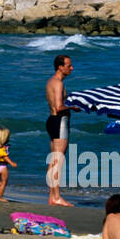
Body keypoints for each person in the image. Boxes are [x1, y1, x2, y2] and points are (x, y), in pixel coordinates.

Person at [45, 54, 75, 206]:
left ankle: (52, 196)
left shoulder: (50, 81)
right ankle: (56, 196)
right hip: (60, 121)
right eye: (69, 66)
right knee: (58, 160)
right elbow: (59, 107)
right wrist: (74, 106)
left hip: (52, 120)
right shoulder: (58, 83)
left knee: (53, 160)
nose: (71, 68)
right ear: (60, 67)